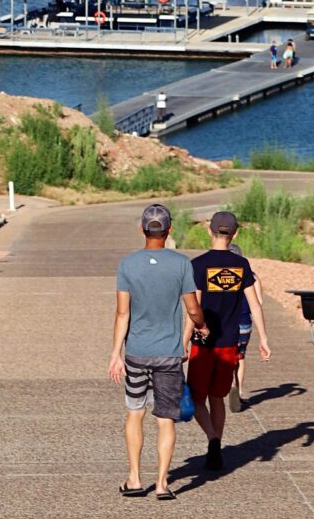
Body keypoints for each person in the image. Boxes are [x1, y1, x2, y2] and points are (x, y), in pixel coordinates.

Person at [108, 202, 207, 500]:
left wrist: (115, 354)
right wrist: (202, 327)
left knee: (135, 412)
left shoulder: (128, 264)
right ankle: (162, 484)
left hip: (137, 352)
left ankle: (134, 479)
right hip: (169, 353)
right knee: (165, 418)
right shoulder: (182, 264)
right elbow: (193, 309)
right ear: (169, 230)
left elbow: (122, 313)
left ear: (142, 229)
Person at [188, 211, 270, 473]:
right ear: (235, 234)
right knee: (218, 398)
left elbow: (194, 308)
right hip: (229, 342)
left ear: (209, 231)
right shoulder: (241, 265)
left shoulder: (198, 265)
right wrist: (263, 338)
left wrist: (183, 341)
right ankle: (217, 447)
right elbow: (255, 305)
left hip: (203, 343)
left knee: (196, 398)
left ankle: (212, 439)